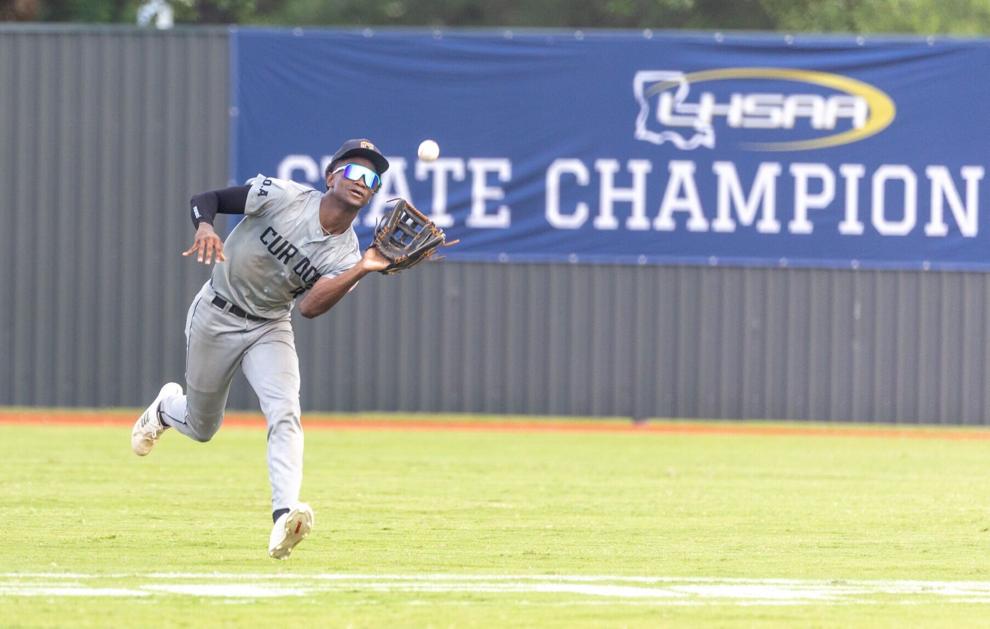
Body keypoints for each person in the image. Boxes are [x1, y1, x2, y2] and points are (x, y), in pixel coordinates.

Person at [131, 138, 392, 559]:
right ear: (331, 176)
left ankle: (283, 518)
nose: (363, 180)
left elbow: (309, 307)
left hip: (271, 325)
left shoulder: (348, 254)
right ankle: (165, 408)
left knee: (285, 411)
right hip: (217, 312)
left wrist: (363, 267)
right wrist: (204, 226)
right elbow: (208, 198)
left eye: (372, 177)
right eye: (354, 170)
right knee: (202, 428)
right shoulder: (284, 196)